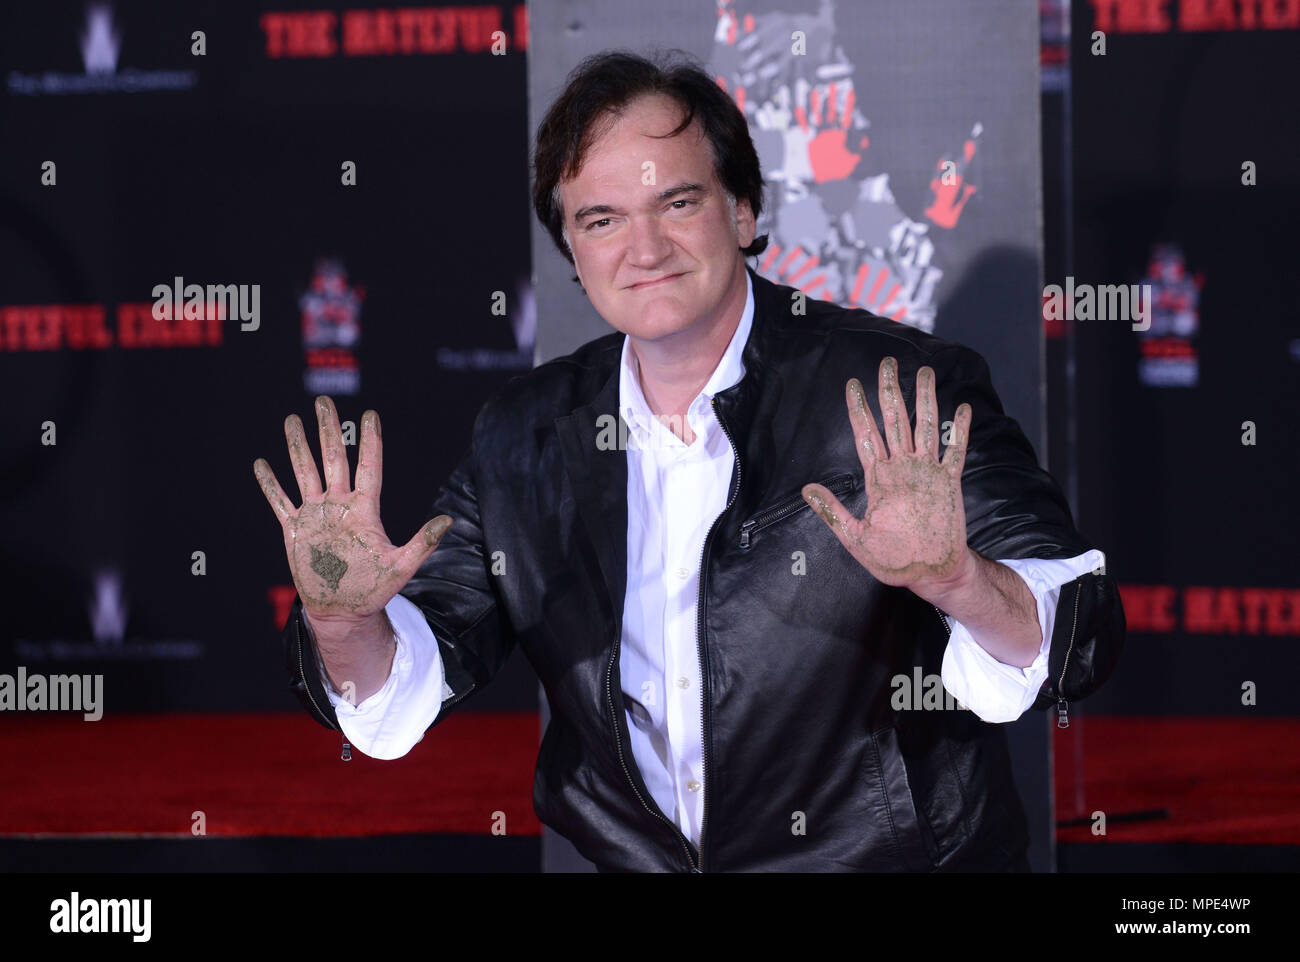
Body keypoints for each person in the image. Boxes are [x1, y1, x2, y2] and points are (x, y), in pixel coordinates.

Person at [253, 51, 1123, 872]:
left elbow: (1075, 636)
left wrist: (956, 579)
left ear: (744, 212)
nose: (644, 249)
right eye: (601, 219)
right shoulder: (524, 435)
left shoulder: (899, 390)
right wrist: (342, 622)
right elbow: (405, 688)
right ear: (573, 251)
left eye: (677, 204)